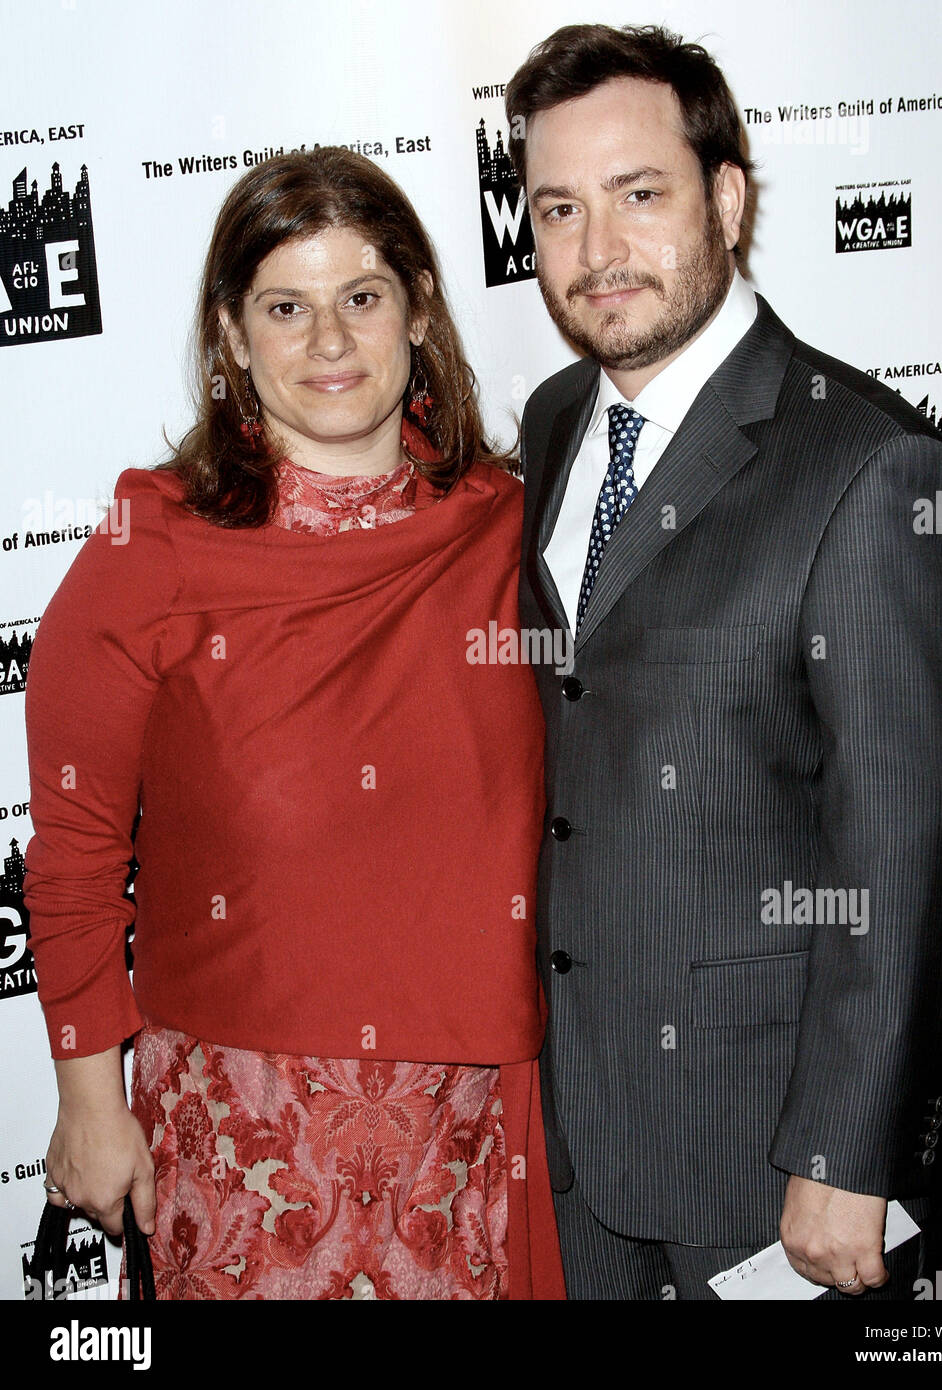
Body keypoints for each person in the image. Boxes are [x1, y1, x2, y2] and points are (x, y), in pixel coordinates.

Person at [505, 24, 942, 1301]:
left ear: (725, 196)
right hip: (583, 1132)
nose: (597, 251)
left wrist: (850, 1147)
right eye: (558, 208)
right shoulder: (558, 423)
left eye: (639, 194)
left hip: (776, 1164)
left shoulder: (875, 470)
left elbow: (907, 845)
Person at [24, 146, 564, 1301]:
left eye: (360, 298)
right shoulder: (148, 550)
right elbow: (71, 852)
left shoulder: (512, 531)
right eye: (286, 306)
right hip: (242, 1139)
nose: (328, 342)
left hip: (467, 1124)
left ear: (418, 309)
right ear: (231, 334)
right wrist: (87, 1104)